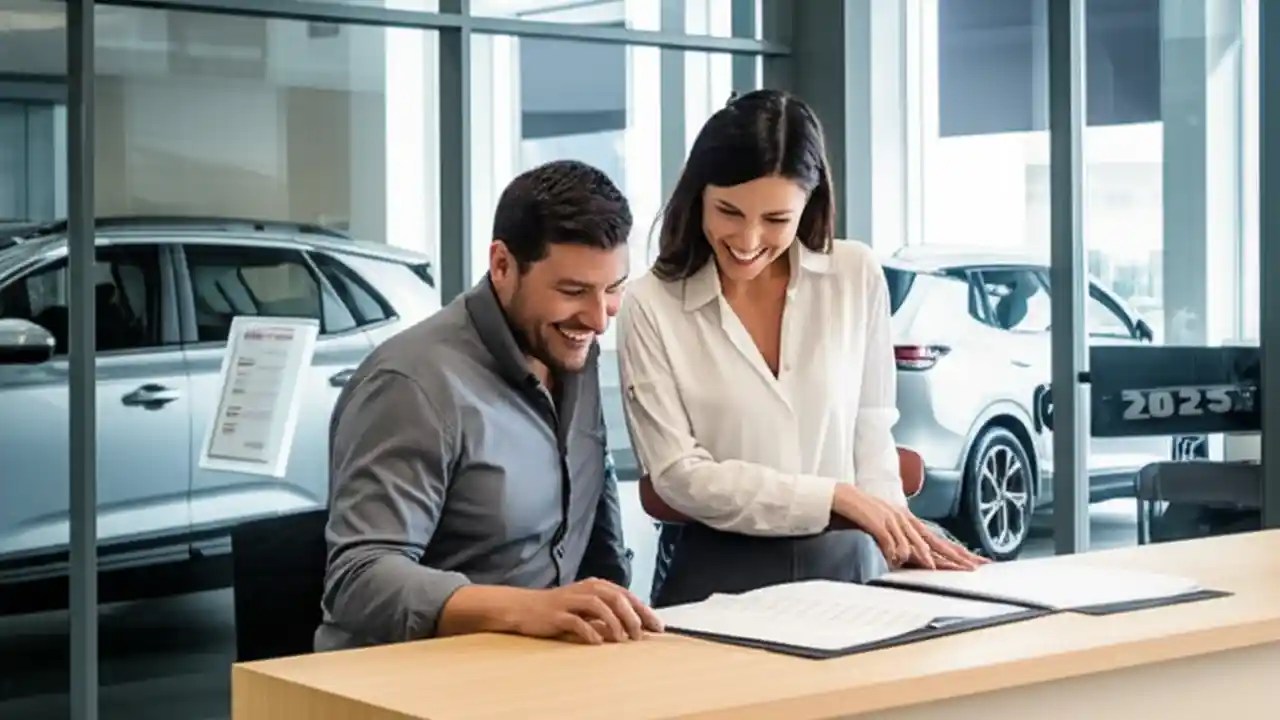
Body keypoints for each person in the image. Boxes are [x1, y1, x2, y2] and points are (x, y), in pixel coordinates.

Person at [616, 90, 986, 607]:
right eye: (728, 211)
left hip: (851, 564)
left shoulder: (855, 275)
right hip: (713, 572)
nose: (747, 239)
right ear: (697, 193)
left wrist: (895, 535)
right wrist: (834, 497)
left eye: (775, 219)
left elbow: (871, 432)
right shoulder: (649, 303)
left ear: (808, 205)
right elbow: (679, 476)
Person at [316, 159, 663, 652]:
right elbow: (360, 579)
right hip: (406, 681)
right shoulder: (413, 384)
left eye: (613, 289)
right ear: (502, 265)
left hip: (542, 671)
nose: (598, 319)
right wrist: (530, 609)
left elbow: (594, 512)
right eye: (572, 291)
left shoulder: (568, 348)